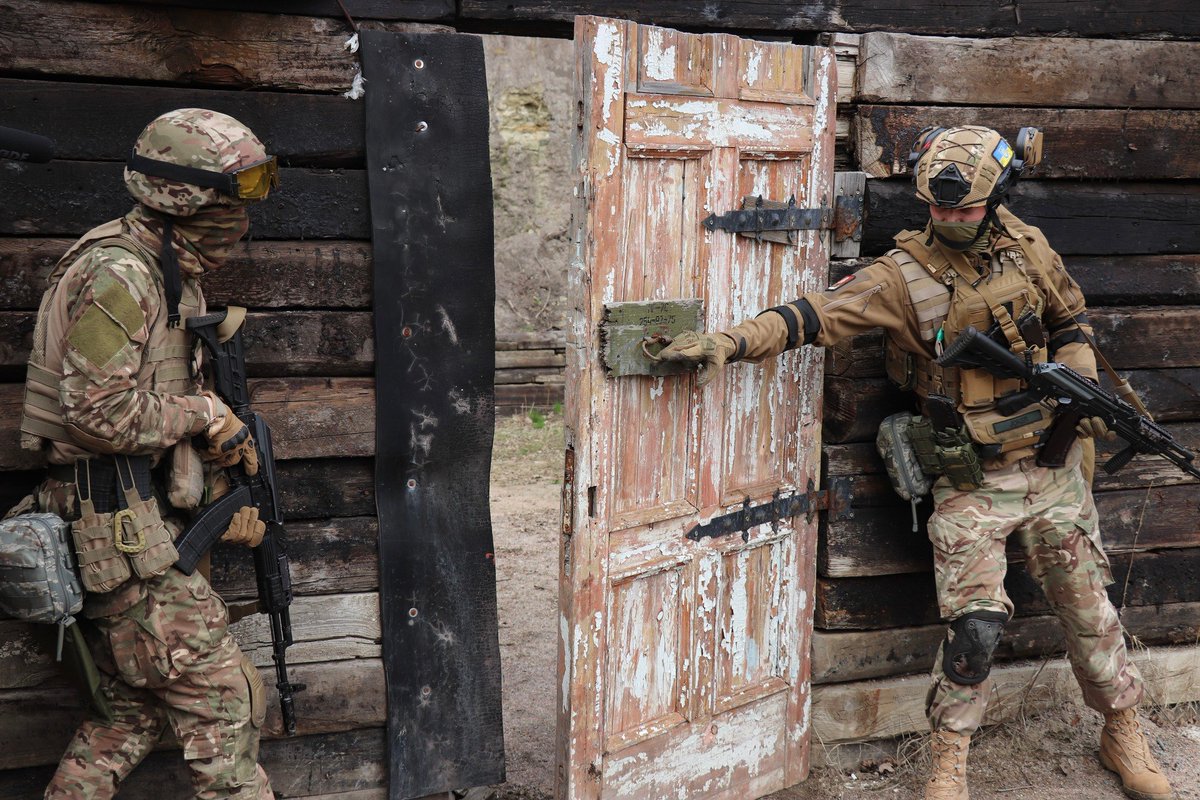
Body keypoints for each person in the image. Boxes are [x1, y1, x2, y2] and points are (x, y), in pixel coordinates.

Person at [656, 126, 1172, 800]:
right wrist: (731, 340)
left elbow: (1071, 320)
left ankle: (1121, 730)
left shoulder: (1029, 247)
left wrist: (1079, 382)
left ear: (995, 199)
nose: (950, 219)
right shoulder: (900, 279)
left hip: (1053, 469)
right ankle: (949, 761)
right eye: (938, 209)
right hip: (971, 478)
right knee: (976, 628)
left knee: (1091, 613)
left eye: (964, 210)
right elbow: (816, 315)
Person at [17, 108, 278, 799]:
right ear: (186, 196)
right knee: (226, 707)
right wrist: (205, 412)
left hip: (130, 523)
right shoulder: (120, 275)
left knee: (127, 716)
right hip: (112, 530)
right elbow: (97, 414)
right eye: (238, 191)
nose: (245, 214)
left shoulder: (166, 272)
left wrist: (219, 497)